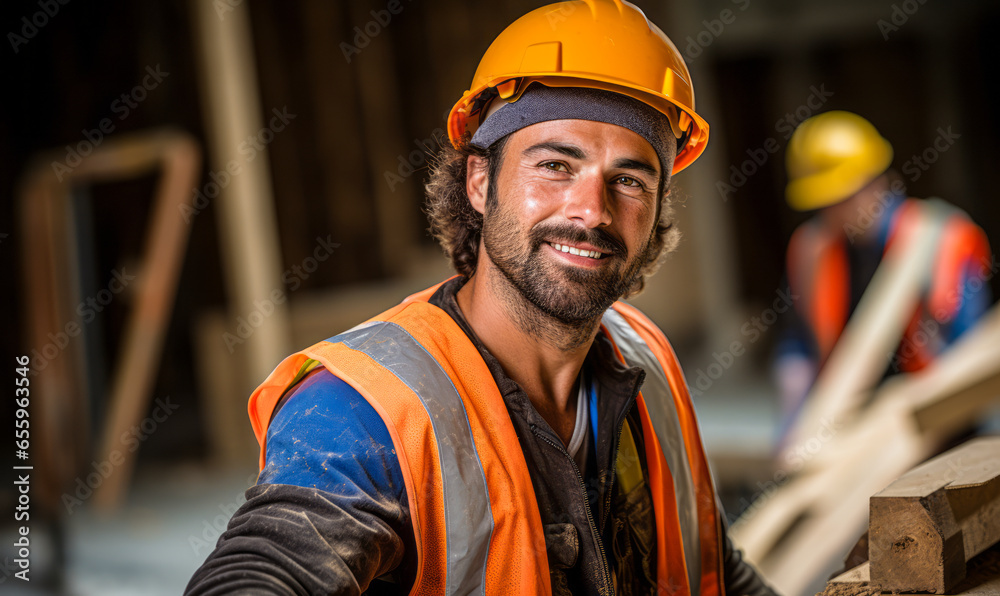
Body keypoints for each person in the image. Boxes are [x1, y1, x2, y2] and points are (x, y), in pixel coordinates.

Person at [186, 2, 777, 594]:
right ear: (479, 181)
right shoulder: (369, 406)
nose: (592, 212)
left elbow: (714, 570)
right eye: (554, 165)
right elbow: (263, 571)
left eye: (628, 180)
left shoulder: (648, 361)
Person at [774, 110, 992, 432]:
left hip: (939, 417)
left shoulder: (943, 240)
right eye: (824, 202)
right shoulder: (812, 250)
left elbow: (972, 353)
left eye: (842, 197)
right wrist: (794, 397)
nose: (833, 213)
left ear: (878, 181)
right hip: (850, 420)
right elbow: (798, 342)